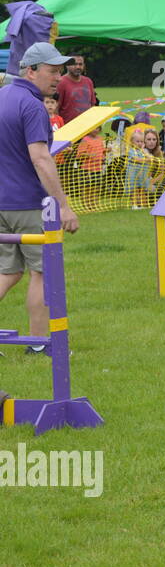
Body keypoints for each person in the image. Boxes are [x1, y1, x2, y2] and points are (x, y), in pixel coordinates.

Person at [0, 43, 80, 355]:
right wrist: (62, 205)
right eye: (52, 70)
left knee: (8, 272)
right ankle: (38, 344)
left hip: (2, 202)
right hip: (27, 202)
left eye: (60, 71)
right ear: (31, 70)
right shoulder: (32, 106)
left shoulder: (3, 96)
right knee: (42, 272)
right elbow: (41, 158)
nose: (58, 77)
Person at [55, 54, 96, 125]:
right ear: (67, 65)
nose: (78, 67)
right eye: (74, 64)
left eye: (80, 64)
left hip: (87, 126)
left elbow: (92, 105)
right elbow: (55, 108)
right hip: (68, 128)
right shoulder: (61, 82)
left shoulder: (88, 81)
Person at [74, 128, 106, 208]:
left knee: (96, 186)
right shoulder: (85, 139)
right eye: (94, 129)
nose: (96, 130)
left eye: (98, 128)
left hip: (98, 168)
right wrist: (89, 155)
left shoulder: (100, 139)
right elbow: (80, 154)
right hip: (87, 168)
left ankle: (94, 204)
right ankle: (86, 204)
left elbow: (102, 150)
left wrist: (106, 151)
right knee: (86, 187)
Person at [123, 130, 152, 210]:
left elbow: (150, 158)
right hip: (133, 174)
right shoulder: (131, 151)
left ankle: (142, 204)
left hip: (142, 174)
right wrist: (146, 160)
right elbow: (136, 159)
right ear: (132, 142)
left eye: (141, 141)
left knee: (142, 189)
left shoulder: (144, 151)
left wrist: (143, 150)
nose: (139, 143)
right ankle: (134, 205)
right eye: (137, 141)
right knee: (134, 189)